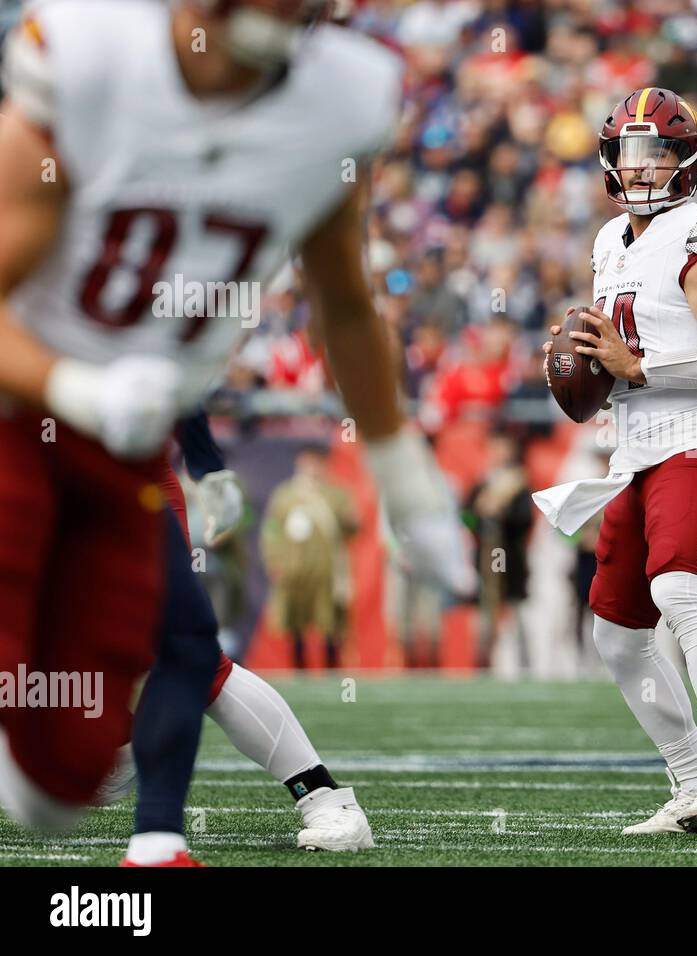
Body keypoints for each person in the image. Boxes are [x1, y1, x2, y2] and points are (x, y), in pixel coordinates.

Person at [0, 0, 475, 832]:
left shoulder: (344, 96)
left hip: (129, 449)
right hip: (18, 414)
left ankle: (272, 802)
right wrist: (78, 389)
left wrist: (407, 480)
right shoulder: (89, 49)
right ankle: (177, 834)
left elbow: (346, 303)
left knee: (57, 789)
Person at [536, 88, 697, 834]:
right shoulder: (611, 241)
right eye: (631, 152)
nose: (644, 166)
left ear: (689, 157)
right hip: (635, 448)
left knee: (677, 589)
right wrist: (589, 358)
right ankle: (693, 775)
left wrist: (634, 368)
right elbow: (622, 348)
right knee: (614, 630)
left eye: (660, 150)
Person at [103, 413, 372, 866]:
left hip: (120, 483)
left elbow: (170, 364)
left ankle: (324, 797)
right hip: (31, 481)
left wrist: (207, 465)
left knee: (190, 652)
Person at [261, 444, 358, 670]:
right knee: (295, 619)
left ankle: (331, 666)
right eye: (307, 462)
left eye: (315, 463)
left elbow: (350, 531)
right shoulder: (285, 495)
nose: (311, 468)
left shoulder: (336, 494)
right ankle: (299, 666)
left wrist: (351, 521)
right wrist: (273, 559)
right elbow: (271, 529)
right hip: (294, 567)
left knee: (330, 621)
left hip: (325, 568)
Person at [465, 429, 534, 673]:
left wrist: (502, 513)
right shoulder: (482, 483)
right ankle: (484, 664)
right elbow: (466, 520)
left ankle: (522, 665)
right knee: (484, 617)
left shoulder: (518, 482)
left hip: (511, 560)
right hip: (484, 561)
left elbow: (525, 520)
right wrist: (479, 513)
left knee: (516, 614)